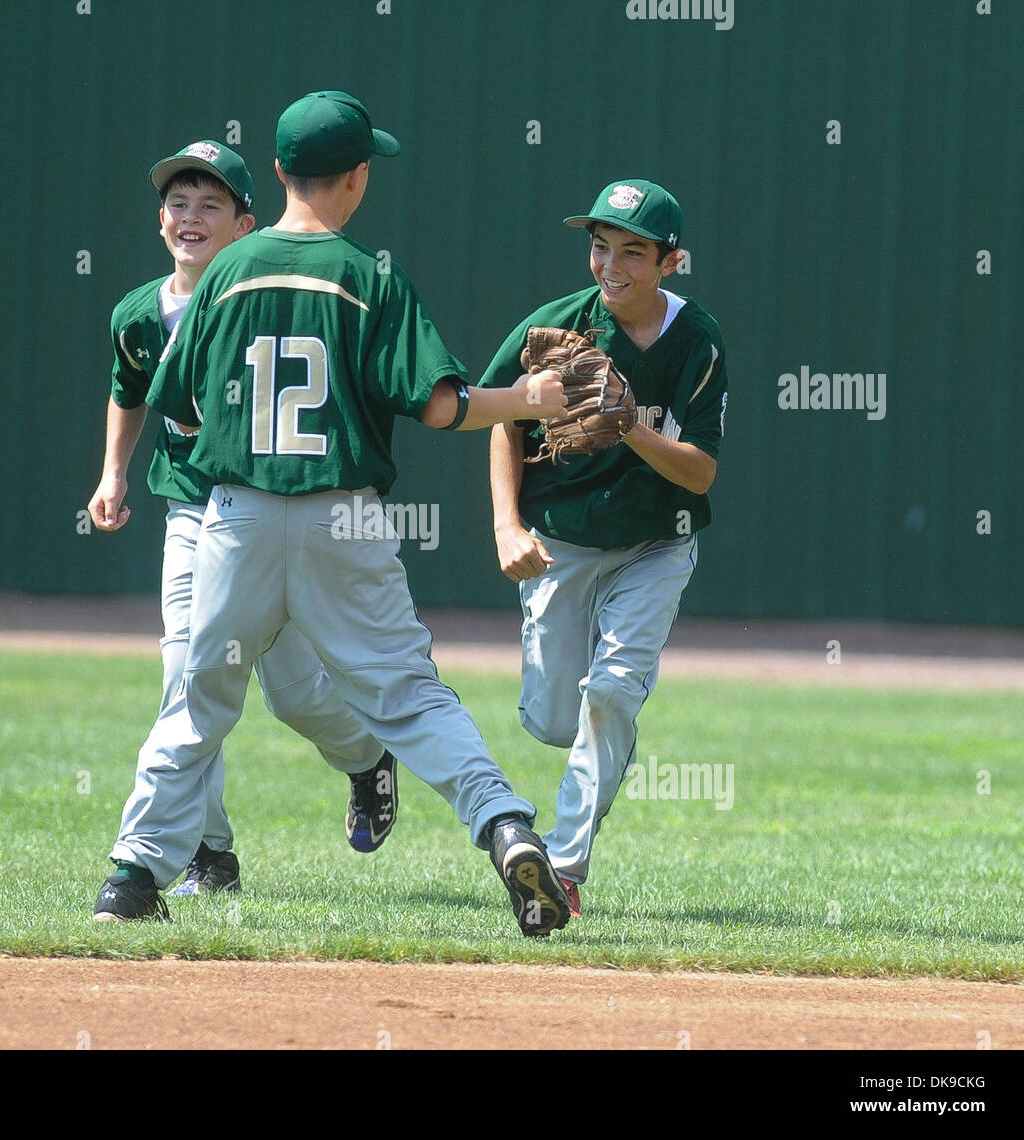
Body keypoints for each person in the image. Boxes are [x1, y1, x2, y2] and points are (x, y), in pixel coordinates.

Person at [108, 90, 573, 937]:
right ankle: (505, 825)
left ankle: (133, 875)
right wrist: (528, 398)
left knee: (200, 695)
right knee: (408, 697)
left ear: (280, 172)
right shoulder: (371, 277)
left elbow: (177, 408)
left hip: (237, 514)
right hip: (343, 518)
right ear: (358, 177)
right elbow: (440, 406)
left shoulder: (224, 278)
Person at [89, 139, 398, 921]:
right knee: (189, 676)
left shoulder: (266, 299)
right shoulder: (137, 311)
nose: (190, 216)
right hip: (197, 512)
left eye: (210, 204)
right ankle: (206, 854)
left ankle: (368, 757)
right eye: (178, 202)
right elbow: (130, 389)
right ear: (161, 218)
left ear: (246, 224)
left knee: (296, 695)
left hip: (275, 512)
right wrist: (113, 473)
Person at [480, 179, 728, 918]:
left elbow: (702, 469)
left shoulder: (698, 340)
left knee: (612, 693)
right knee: (557, 719)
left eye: (632, 251)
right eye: (599, 246)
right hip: (561, 541)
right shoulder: (557, 326)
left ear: (670, 261)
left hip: (656, 544)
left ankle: (562, 868)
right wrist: (505, 525)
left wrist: (630, 427)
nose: (610, 264)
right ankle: (603, 745)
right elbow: (501, 420)